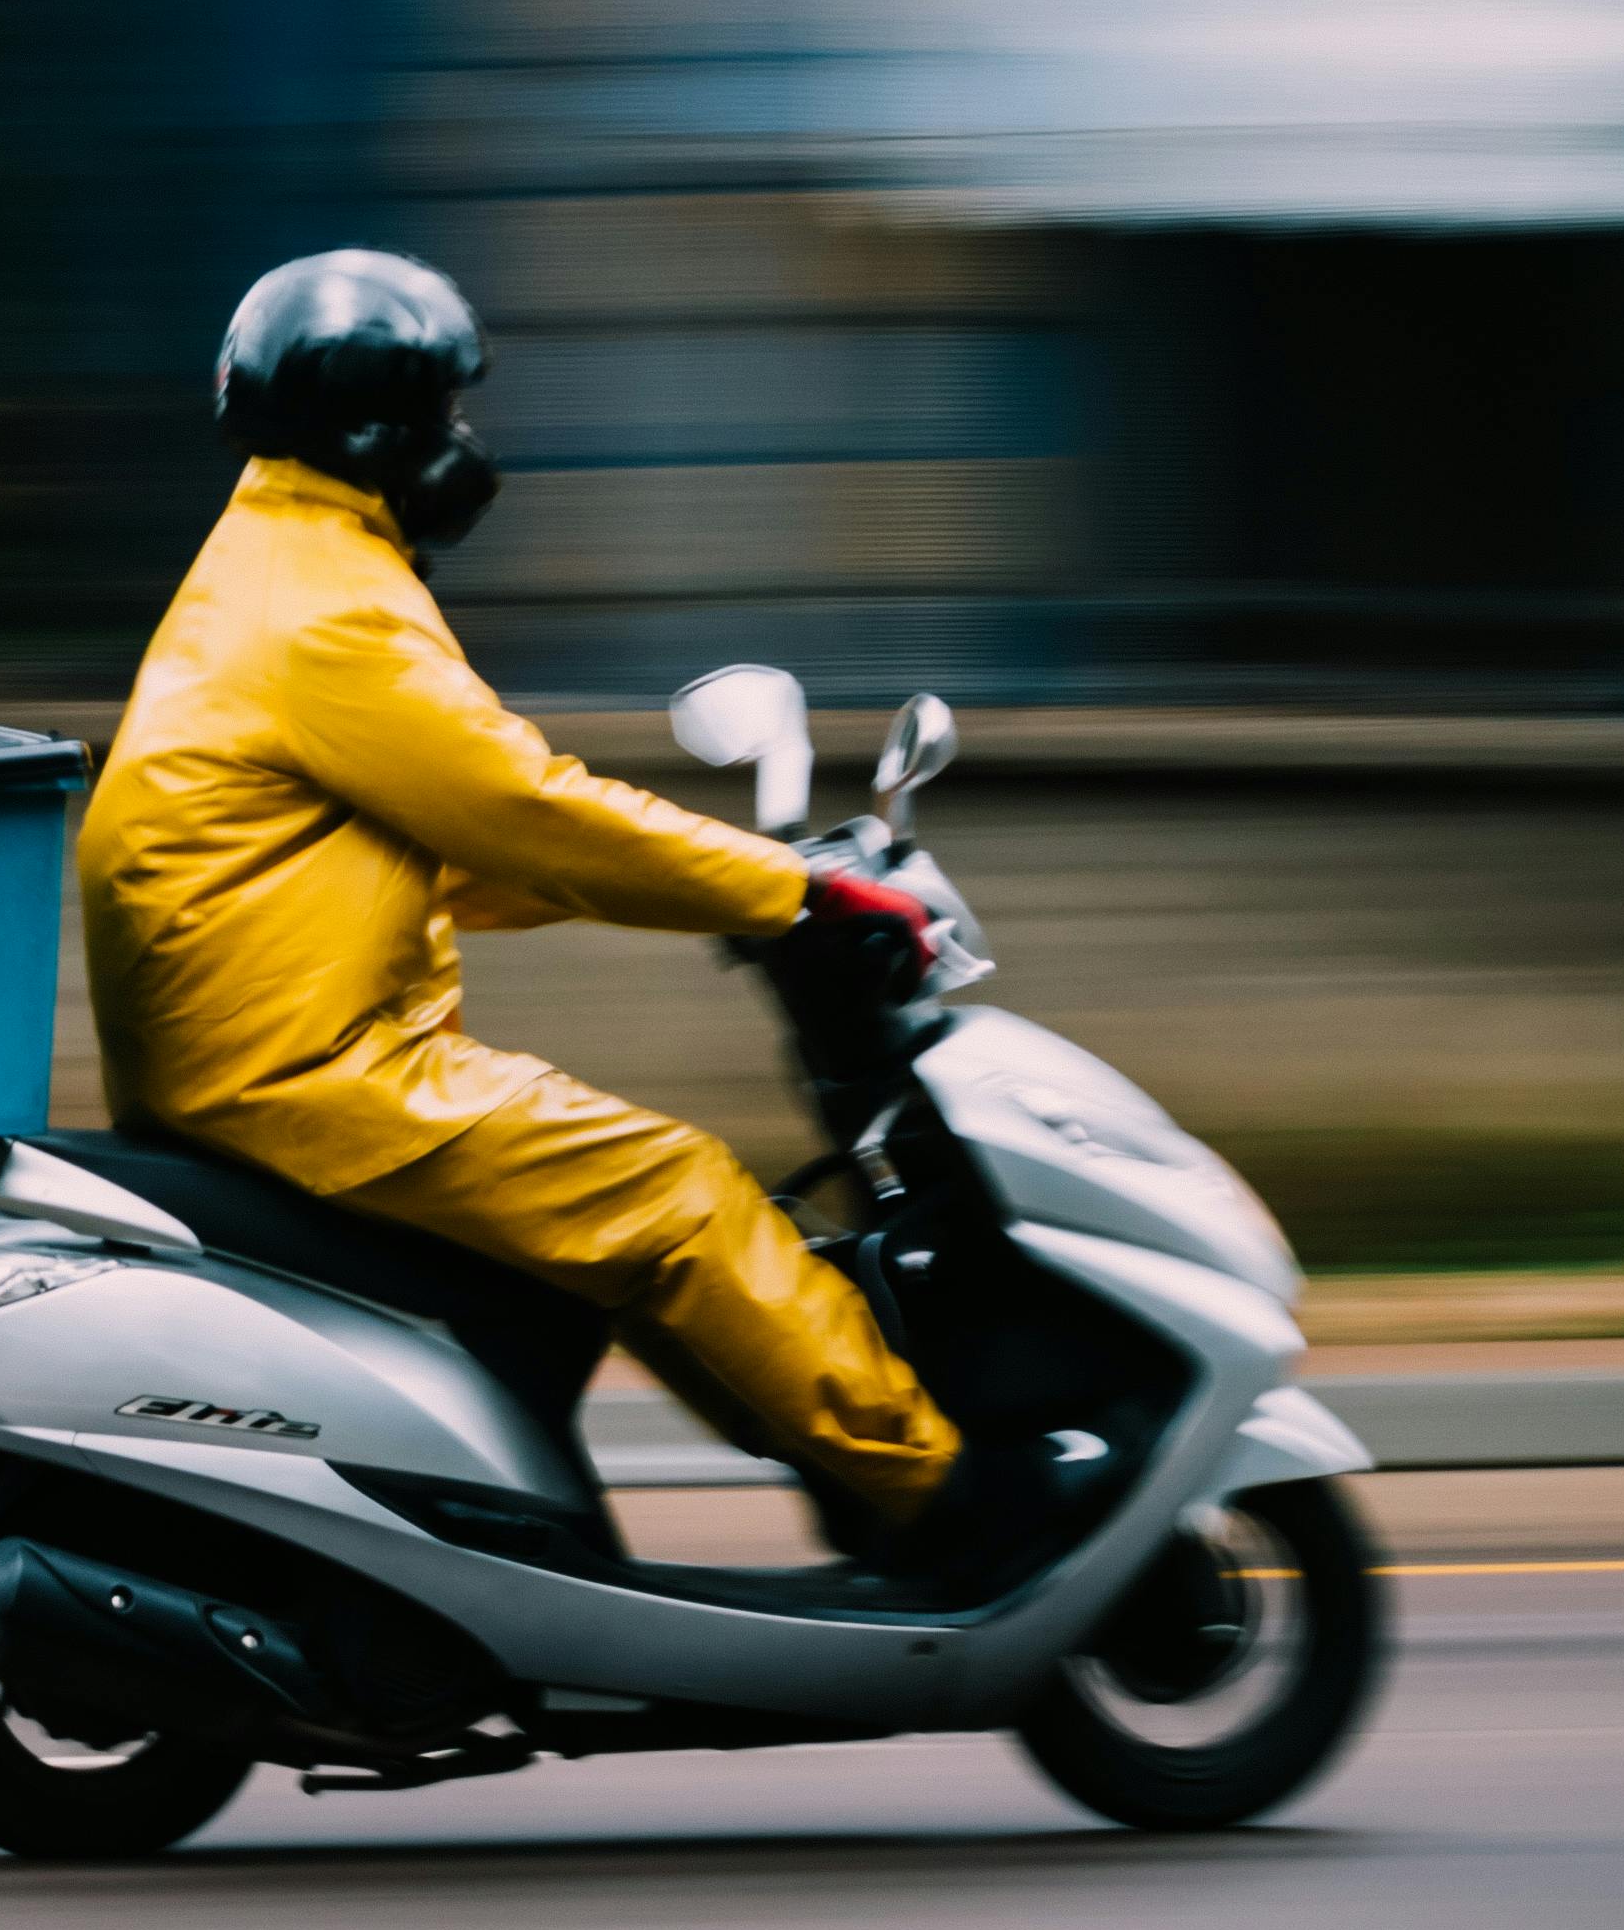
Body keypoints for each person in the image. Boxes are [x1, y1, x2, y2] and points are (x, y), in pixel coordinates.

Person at [74, 247, 1007, 1571]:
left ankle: (844, 1467)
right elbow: (530, 809)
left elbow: (450, 850)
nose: (468, 441)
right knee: (681, 1199)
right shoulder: (332, 614)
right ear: (379, 425)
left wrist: (708, 896)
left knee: (625, 1225)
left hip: (257, 1061)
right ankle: (949, 1508)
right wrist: (790, 891)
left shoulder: (272, 558)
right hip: (315, 1074)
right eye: (449, 413)